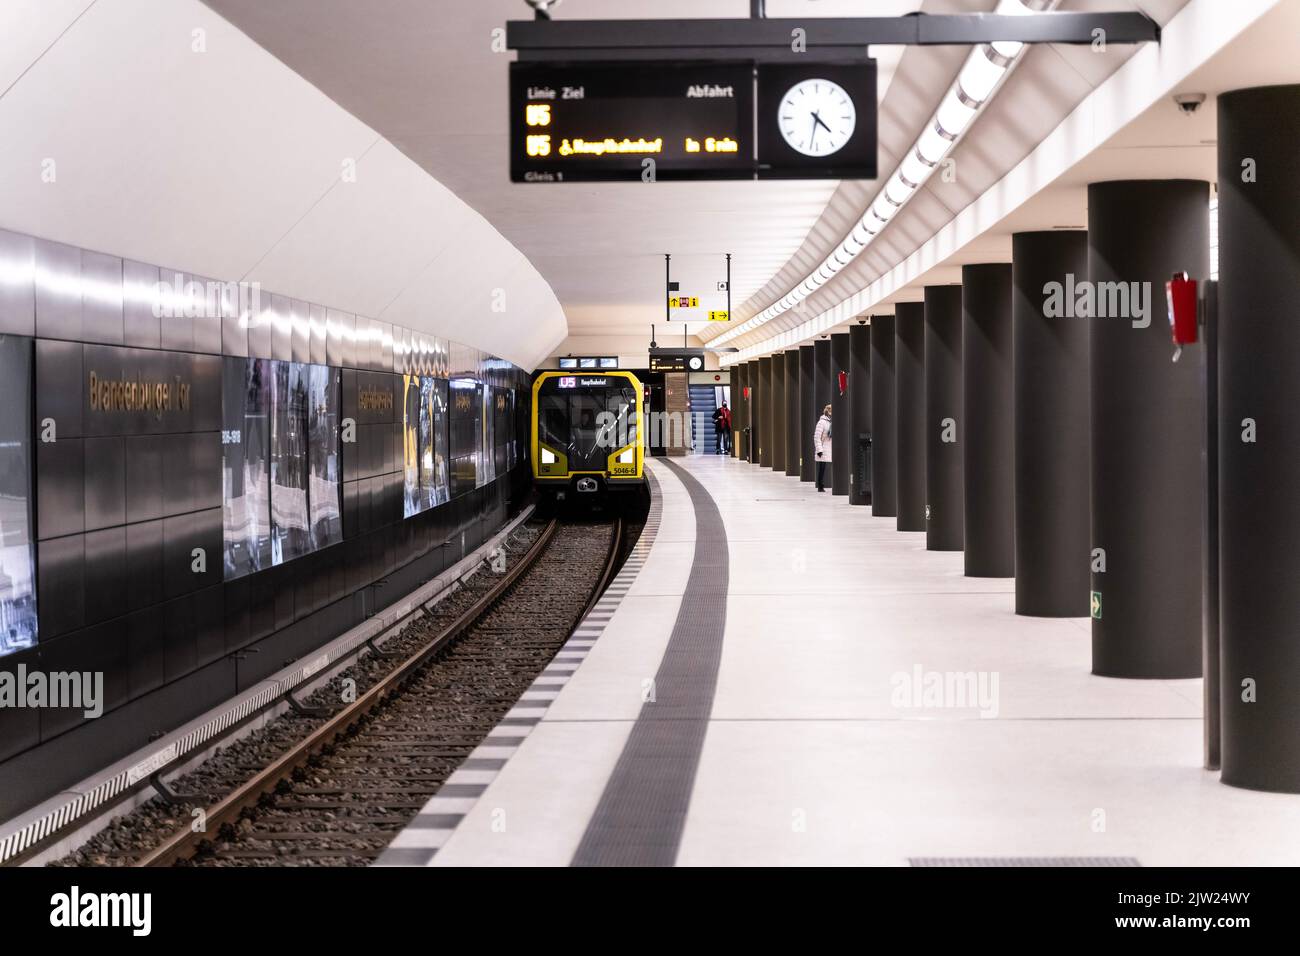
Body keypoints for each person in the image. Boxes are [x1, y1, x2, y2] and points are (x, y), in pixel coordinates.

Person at [813, 404, 832, 492]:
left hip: (831, 447)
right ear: (828, 411)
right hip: (824, 448)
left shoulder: (831, 421)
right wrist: (819, 450)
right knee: (822, 468)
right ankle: (820, 485)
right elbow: (817, 436)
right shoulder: (822, 422)